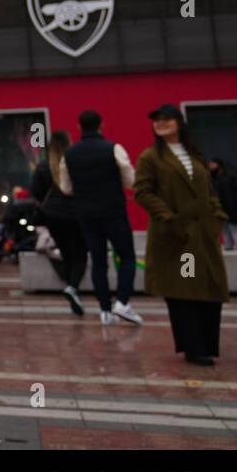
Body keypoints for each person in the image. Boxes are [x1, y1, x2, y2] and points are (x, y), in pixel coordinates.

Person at [134, 105, 229, 365]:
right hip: (177, 238)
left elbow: (208, 190)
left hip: (203, 236)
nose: (160, 123)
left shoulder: (193, 153)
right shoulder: (150, 157)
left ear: (179, 123)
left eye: (166, 119)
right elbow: (142, 191)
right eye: (156, 120)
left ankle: (207, 345)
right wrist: (167, 217)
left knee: (209, 289)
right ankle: (193, 348)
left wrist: (217, 216)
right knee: (184, 291)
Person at [60, 110, 142, 326]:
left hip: (86, 213)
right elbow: (129, 179)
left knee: (98, 261)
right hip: (114, 210)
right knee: (127, 258)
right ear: (101, 125)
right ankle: (122, 302)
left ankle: (105, 309)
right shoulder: (113, 148)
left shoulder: (69, 154)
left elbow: (66, 187)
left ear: (79, 127)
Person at [30, 130, 87, 316]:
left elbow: (36, 192)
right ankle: (72, 287)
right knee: (80, 253)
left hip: (52, 215)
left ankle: (71, 288)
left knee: (66, 253)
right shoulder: (76, 163)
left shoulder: (43, 166)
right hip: (76, 214)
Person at [209, 158, 237, 250]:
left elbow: (229, 197)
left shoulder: (226, 180)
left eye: (212, 164)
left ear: (219, 166)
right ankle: (228, 246)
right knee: (224, 229)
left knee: (233, 228)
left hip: (230, 209)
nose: (210, 166)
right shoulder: (214, 180)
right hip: (221, 209)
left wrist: (232, 210)